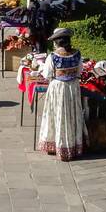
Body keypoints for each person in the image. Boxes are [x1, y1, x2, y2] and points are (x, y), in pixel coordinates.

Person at [36, 28, 87, 162]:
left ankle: (57, 145)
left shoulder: (53, 56)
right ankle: (72, 146)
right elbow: (79, 72)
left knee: (58, 115)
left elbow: (47, 74)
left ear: (57, 42)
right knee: (71, 116)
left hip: (59, 88)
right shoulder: (77, 54)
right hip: (73, 88)